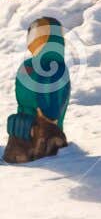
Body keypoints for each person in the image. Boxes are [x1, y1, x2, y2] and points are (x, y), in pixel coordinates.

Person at [4, 14, 70, 165]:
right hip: (27, 118)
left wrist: (47, 115)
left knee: (38, 134)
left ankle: (39, 150)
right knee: (18, 125)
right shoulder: (28, 65)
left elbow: (54, 100)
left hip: (44, 123)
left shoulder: (56, 67)